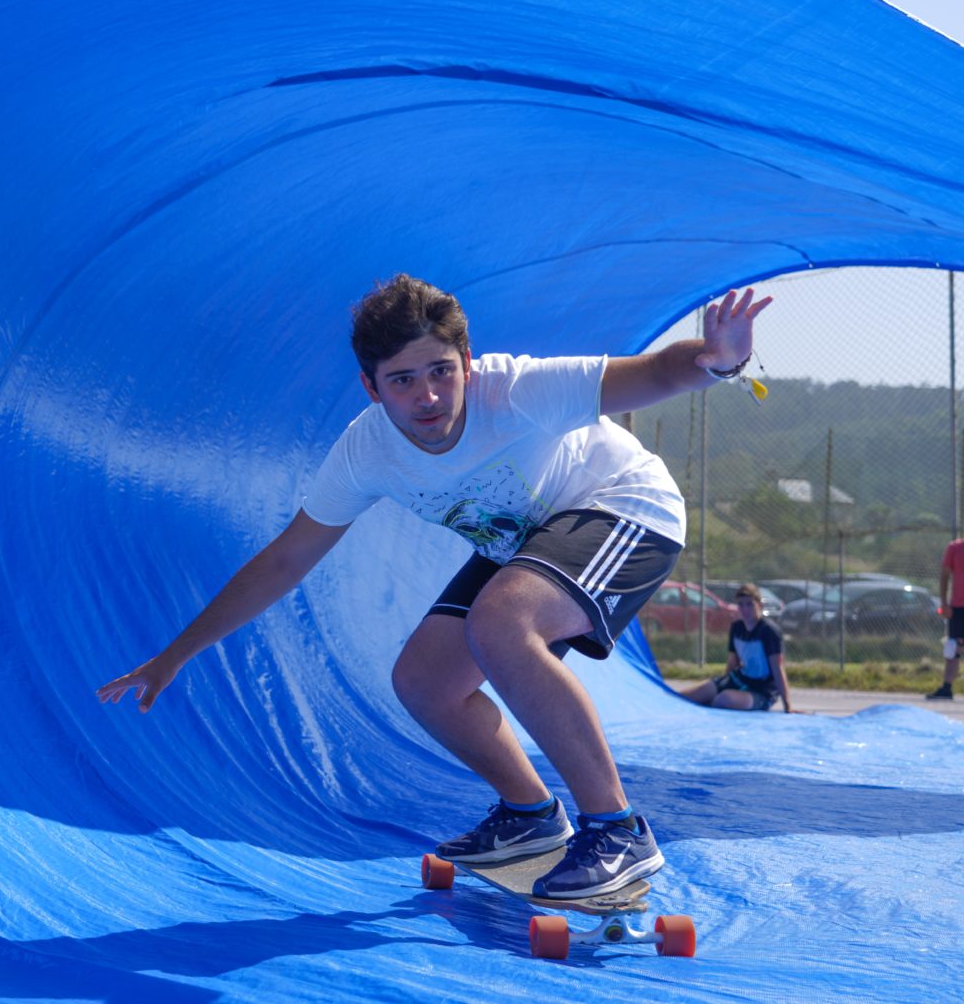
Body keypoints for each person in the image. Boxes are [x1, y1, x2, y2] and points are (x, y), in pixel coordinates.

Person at [97, 275, 771, 899]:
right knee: (424, 679)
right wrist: (175, 653)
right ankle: (530, 814)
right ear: (372, 388)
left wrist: (716, 359)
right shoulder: (366, 452)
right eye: (403, 381)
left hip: (625, 506)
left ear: (467, 363)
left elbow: (647, 374)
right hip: (529, 536)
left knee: (502, 621)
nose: (427, 397)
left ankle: (617, 829)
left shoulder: (513, 391)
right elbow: (284, 559)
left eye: (441, 372)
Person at [681, 583, 791, 712]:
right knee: (685, 697)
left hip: (762, 691)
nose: (745, 609)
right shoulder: (736, 628)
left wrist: (787, 706)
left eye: (749, 604)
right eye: (741, 604)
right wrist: (722, 685)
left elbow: (778, 668)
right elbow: (732, 663)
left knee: (722, 700)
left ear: (760, 605)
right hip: (739, 680)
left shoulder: (769, 631)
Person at [929, 537, 964, 700]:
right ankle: (947, 687)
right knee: (952, 647)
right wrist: (944, 602)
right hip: (957, 607)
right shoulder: (955, 547)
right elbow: (944, 575)